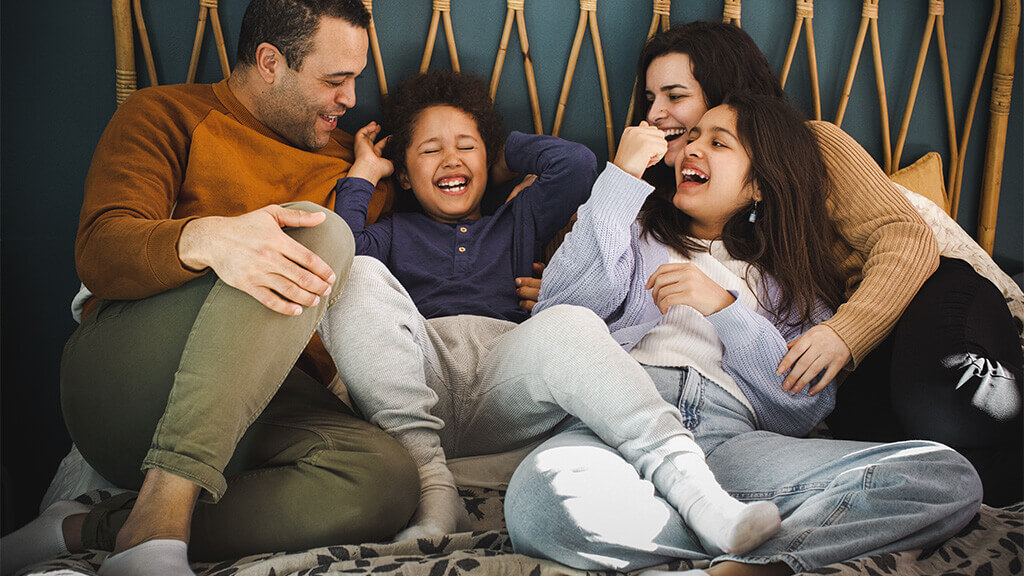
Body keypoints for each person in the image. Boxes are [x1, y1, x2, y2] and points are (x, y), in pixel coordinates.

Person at [514, 20, 1023, 506]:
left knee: (956, 416)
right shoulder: (670, 199)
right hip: (838, 366)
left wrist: (844, 334)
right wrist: (574, 298)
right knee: (914, 455)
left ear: (725, 95)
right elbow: (579, 273)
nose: (656, 115)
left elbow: (905, 237)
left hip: (922, 301)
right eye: (650, 99)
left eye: (675, 96)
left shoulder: (811, 145)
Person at [0, 1, 420, 575]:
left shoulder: (360, 168)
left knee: (386, 480)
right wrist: (208, 240)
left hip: (260, 407)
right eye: (335, 79)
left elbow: (441, 240)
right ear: (270, 61)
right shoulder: (165, 113)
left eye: (356, 80)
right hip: (130, 385)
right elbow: (100, 248)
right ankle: (160, 515)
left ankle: (83, 527)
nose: (350, 98)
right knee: (313, 233)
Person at [506, 92, 983, 575]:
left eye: (718, 143)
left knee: (946, 476)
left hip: (728, 441)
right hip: (619, 423)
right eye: (690, 138)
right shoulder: (631, 229)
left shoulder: (792, 279)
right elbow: (560, 313)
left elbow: (799, 408)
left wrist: (724, 307)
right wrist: (621, 179)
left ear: (758, 184)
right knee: (539, 503)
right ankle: (748, 548)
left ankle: (749, 561)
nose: (692, 148)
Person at [317, 70, 782, 552]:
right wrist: (364, 176)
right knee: (352, 274)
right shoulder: (395, 232)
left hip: (506, 377)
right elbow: (340, 250)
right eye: (431, 150)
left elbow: (575, 164)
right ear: (407, 175)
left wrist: (501, 155)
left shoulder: (515, 219)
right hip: (417, 371)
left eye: (466, 146)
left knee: (572, 321)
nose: (451, 158)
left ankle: (697, 493)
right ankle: (434, 493)